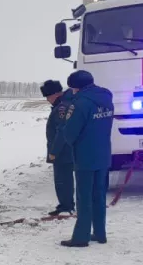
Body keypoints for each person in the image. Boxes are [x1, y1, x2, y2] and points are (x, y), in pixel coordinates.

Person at [58, 69, 114, 247]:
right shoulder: (106, 98)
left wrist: (63, 128)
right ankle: (100, 233)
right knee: (99, 195)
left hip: (85, 157)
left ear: (77, 88)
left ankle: (81, 237)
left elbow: (70, 134)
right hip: (103, 154)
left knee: (84, 197)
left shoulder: (80, 104)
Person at [41, 79, 75, 216]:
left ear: (55, 94)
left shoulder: (62, 107)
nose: (47, 100)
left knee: (62, 179)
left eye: (48, 97)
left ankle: (66, 207)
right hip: (65, 149)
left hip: (63, 151)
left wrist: (54, 151)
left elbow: (62, 131)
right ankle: (66, 205)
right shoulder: (64, 104)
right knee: (63, 179)